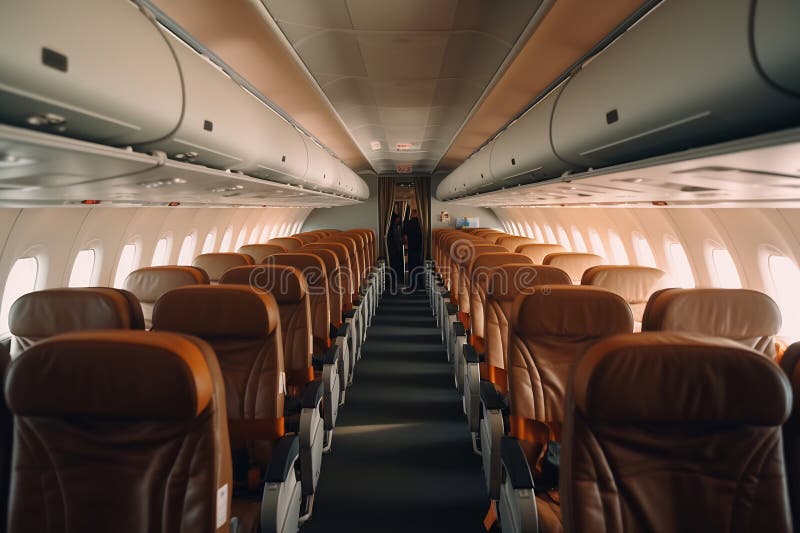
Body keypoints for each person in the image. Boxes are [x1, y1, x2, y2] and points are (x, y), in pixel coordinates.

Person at [403, 209, 424, 291]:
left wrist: (406, 245)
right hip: (420, 248)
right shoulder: (422, 223)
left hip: (412, 247)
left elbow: (405, 236)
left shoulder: (408, 223)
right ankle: (420, 285)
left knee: (412, 267)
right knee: (420, 266)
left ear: (412, 214)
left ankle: (412, 286)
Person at [386, 213, 404, 291]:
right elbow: (397, 238)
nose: (399, 220)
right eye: (398, 219)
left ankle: (395, 280)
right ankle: (394, 280)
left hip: (396, 248)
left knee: (395, 265)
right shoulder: (393, 227)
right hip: (394, 249)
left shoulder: (395, 227)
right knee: (394, 264)